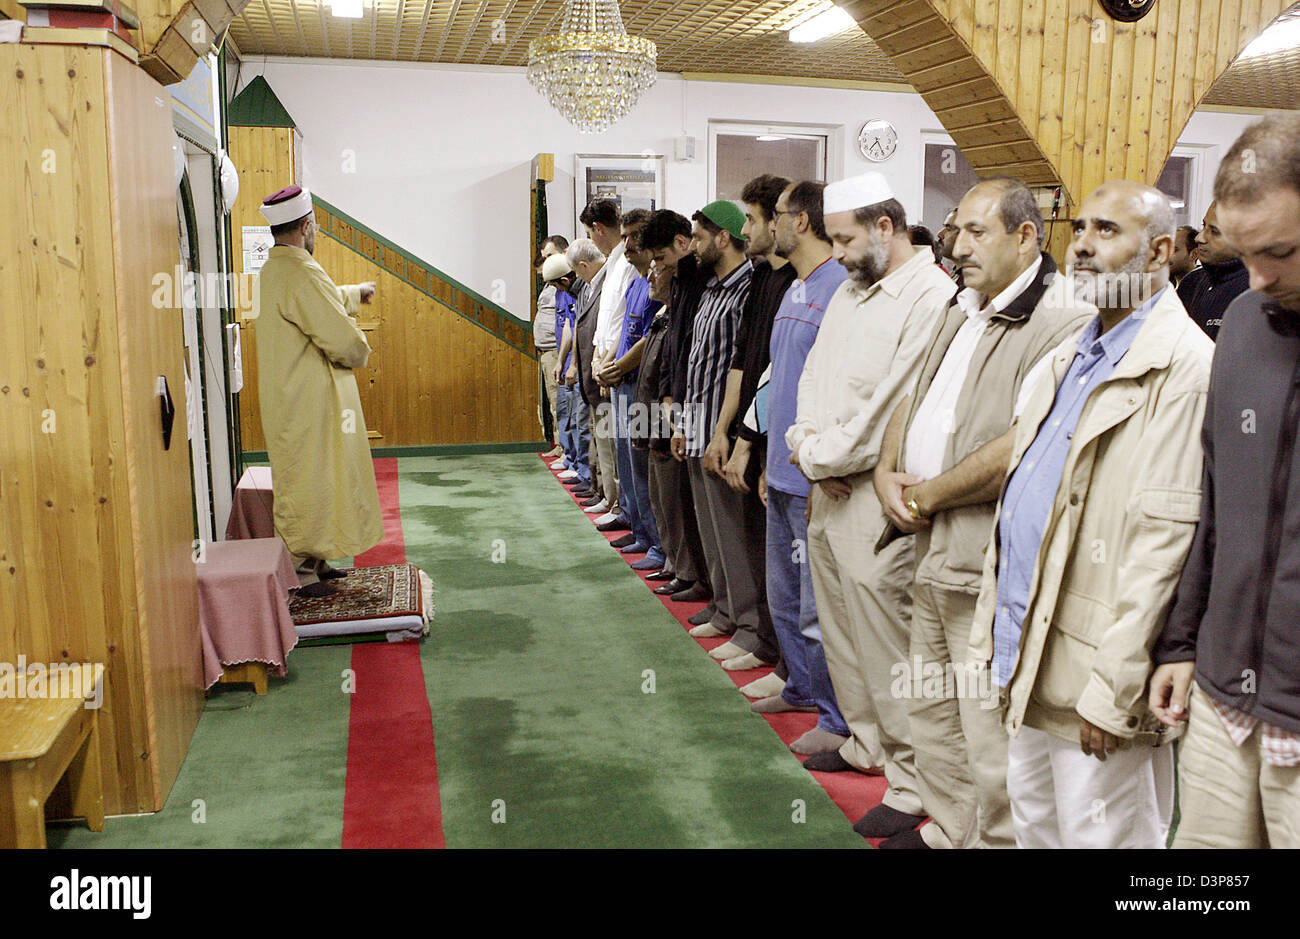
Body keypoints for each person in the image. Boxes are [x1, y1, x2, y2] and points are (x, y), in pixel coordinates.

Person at [962, 180, 1211, 849]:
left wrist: (1115, 688)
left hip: (1097, 681)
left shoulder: (1184, 368)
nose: (1083, 248)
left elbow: (1165, 546)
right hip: (1034, 659)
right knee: (1038, 834)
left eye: (1107, 232)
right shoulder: (1070, 356)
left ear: (1160, 249)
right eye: (1080, 230)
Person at [874, 177, 1093, 849]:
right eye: (956, 229)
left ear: (1027, 236)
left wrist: (927, 495)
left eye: (977, 232)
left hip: (981, 554)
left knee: (987, 727)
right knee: (932, 708)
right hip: (925, 541)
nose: (958, 244)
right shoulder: (959, 304)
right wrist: (887, 472)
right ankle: (950, 826)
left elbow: (1020, 446)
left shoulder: (1064, 317)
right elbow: (913, 396)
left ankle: (995, 841)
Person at [788, 171, 957, 838]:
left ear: (886, 227)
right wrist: (805, 446)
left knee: (888, 644)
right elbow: (811, 378)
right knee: (843, 633)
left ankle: (912, 784)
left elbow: (894, 402)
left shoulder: (931, 296)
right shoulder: (855, 288)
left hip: (872, 493)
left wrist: (823, 456)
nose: (836, 252)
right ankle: (864, 743)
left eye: (846, 237)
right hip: (828, 482)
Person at [1151, 112, 1300, 849]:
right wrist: (1182, 643)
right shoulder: (1242, 320)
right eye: (1246, 254)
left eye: (1280, 252)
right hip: (1222, 696)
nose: (1260, 277)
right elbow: (1218, 502)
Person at [749, 180, 853, 756]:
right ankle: (800, 686)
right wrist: (765, 457)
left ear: (803, 222)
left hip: (815, 478)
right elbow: (778, 382)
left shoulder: (839, 289)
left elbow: (839, 392)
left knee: (819, 610)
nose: (768, 226)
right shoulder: (793, 288)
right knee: (784, 599)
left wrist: (817, 469)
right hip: (781, 472)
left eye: (779, 215)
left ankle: (836, 720)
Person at [254, 185, 381, 598]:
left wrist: (350, 294)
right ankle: (300, 571)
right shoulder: (301, 270)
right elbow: (338, 338)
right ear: (307, 226)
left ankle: (316, 560)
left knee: (318, 477)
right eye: (316, 227)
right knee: (308, 480)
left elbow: (312, 301)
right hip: (309, 401)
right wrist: (360, 348)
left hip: (297, 397)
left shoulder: (278, 268)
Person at [703, 174, 796, 673]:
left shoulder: (796, 284)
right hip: (747, 430)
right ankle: (760, 638)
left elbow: (775, 373)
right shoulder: (762, 278)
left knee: (780, 558)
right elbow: (742, 362)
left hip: (772, 435)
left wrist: (747, 440)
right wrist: (724, 430)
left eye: (753, 219)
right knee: (758, 547)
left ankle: (780, 656)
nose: (745, 228)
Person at [673, 202, 761, 648]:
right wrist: (684, 424)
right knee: (710, 531)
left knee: (731, 534)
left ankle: (747, 625)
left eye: (701, 237)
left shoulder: (748, 289)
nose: (695, 246)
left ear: (724, 238)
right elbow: (697, 366)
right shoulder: (711, 290)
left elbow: (739, 368)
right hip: (698, 425)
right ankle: (725, 609)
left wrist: (722, 432)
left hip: (721, 432)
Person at [642, 210, 712, 607]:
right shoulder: (684, 282)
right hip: (677, 403)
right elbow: (675, 349)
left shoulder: (700, 280)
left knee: (690, 504)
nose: (657, 268)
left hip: (697, 409)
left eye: (661, 258)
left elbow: (695, 353)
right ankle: (688, 572)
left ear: (682, 244)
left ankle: (700, 579)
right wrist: (670, 398)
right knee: (676, 499)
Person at [598, 210, 666, 571]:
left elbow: (650, 337)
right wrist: (608, 362)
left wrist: (619, 366)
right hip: (622, 382)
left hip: (642, 384)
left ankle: (658, 544)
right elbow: (625, 329)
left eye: (634, 236)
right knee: (626, 461)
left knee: (643, 467)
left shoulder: (657, 281)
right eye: (624, 236)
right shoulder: (636, 281)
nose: (627, 245)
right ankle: (641, 531)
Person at [583, 200, 630, 528]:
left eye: (590, 233)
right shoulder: (614, 262)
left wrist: (607, 358)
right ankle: (621, 508)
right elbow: (606, 319)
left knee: (624, 451)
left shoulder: (625, 262)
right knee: (616, 447)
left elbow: (623, 319)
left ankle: (626, 511)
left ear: (598, 228)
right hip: (607, 362)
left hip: (620, 366)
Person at [544, 254, 588, 491]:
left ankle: (586, 473)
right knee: (568, 416)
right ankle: (577, 466)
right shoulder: (567, 293)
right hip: (571, 363)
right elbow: (569, 328)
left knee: (583, 423)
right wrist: (561, 361)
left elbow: (578, 329)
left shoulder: (581, 293)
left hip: (582, 367)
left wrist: (573, 364)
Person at [1177, 202, 1250, 340]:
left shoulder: (1257, 291)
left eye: (1214, 231)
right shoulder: (1190, 283)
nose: (1199, 238)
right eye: (1204, 226)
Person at [535, 235, 569, 460]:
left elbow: (568, 320)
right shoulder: (550, 284)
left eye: (550, 256)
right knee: (553, 404)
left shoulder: (566, 284)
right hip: (547, 351)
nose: (546, 260)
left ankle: (567, 451)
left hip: (558, 352)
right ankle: (560, 446)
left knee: (562, 405)